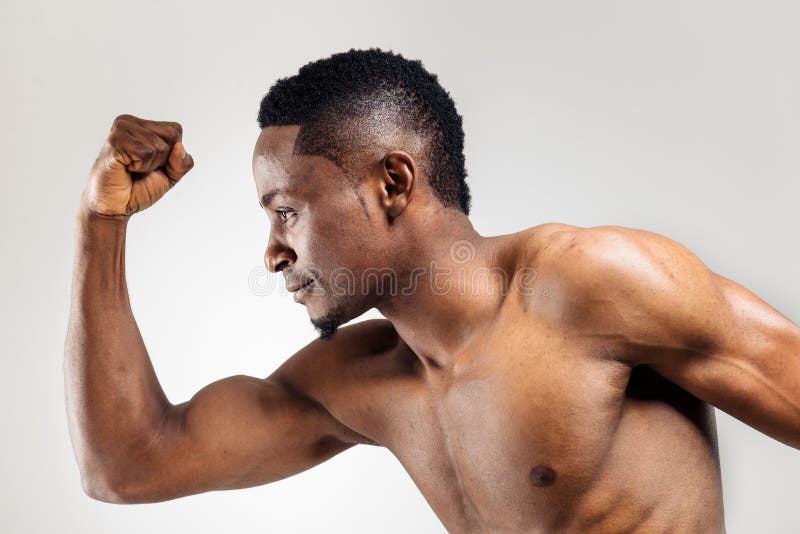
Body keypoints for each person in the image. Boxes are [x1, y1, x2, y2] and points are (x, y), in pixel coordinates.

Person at [64, 48, 800, 533]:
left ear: (392, 183)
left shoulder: (589, 284)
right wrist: (100, 223)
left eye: (286, 209)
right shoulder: (358, 381)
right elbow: (128, 466)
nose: (273, 250)